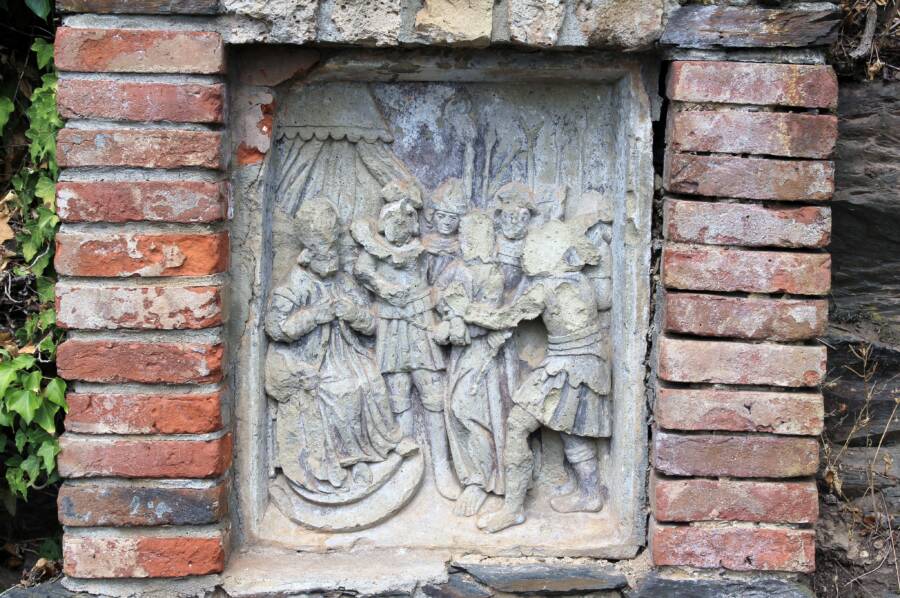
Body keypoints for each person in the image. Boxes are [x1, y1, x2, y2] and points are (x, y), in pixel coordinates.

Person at [462, 219, 612, 533]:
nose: (528, 253)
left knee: (517, 425)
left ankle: (513, 509)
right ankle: (591, 493)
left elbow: (505, 318)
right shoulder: (580, 281)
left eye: (535, 247)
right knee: (571, 431)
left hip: (566, 369)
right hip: (589, 365)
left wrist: (466, 310)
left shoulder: (547, 287)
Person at [264, 198, 410, 493]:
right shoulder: (296, 284)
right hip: (309, 358)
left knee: (370, 381)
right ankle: (348, 460)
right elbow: (277, 327)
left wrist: (353, 314)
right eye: (327, 251)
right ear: (309, 253)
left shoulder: (344, 281)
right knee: (341, 392)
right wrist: (316, 315)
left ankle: (384, 443)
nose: (335, 258)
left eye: (335, 249)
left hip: (347, 353)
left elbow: (371, 325)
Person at [352, 184, 460, 500]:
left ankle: (441, 466)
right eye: (393, 223)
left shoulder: (422, 249)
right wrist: (383, 287)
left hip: (421, 320)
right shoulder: (375, 249)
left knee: (431, 391)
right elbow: (363, 271)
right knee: (398, 393)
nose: (399, 229)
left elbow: (437, 279)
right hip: (391, 322)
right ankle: (410, 468)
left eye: (404, 222)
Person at [434, 212, 508, 517]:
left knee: (470, 411)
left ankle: (481, 479)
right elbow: (440, 298)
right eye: (464, 235)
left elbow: (491, 318)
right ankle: (472, 476)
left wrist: (457, 327)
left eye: (473, 235)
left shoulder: (493, 275)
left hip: (483, 354)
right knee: (455, 409)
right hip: (460, 356)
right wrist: (450, 318)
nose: (466, 241)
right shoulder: (456, 268)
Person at [423, 177, 467, 285]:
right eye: (441, 216)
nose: (447, 222)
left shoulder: (462, 245)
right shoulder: (425, 242)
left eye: (453, 218)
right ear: (432, 216)